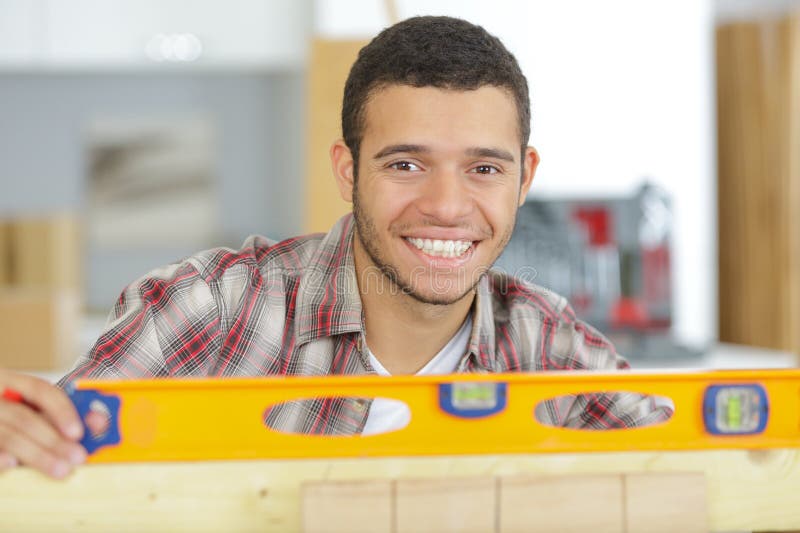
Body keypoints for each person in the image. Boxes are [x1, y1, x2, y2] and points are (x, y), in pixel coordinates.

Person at [0, 16, 671, 479]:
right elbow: (46, 469)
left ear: (524, 177)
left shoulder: (550, 349)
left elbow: (703, 474)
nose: (445, 205)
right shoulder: (210, 311)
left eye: (484, 168)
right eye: (406, 165)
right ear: (348, 170)